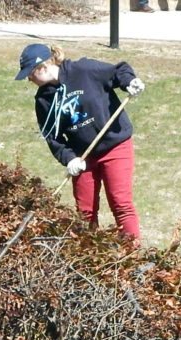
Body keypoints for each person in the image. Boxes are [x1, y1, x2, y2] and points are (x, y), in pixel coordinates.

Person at [15, 43, 146, 241]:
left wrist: (130, 82)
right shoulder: (43, 101)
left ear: (42, 67)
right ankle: (91, 258)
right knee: (84, 213)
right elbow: (53, 138)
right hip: (83, 157)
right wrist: (69, 159)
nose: (29, 79)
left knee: (120, 203)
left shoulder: (83, 70)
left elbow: (119, 70)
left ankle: (133, 258)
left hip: (115, 146)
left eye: (30, 74)